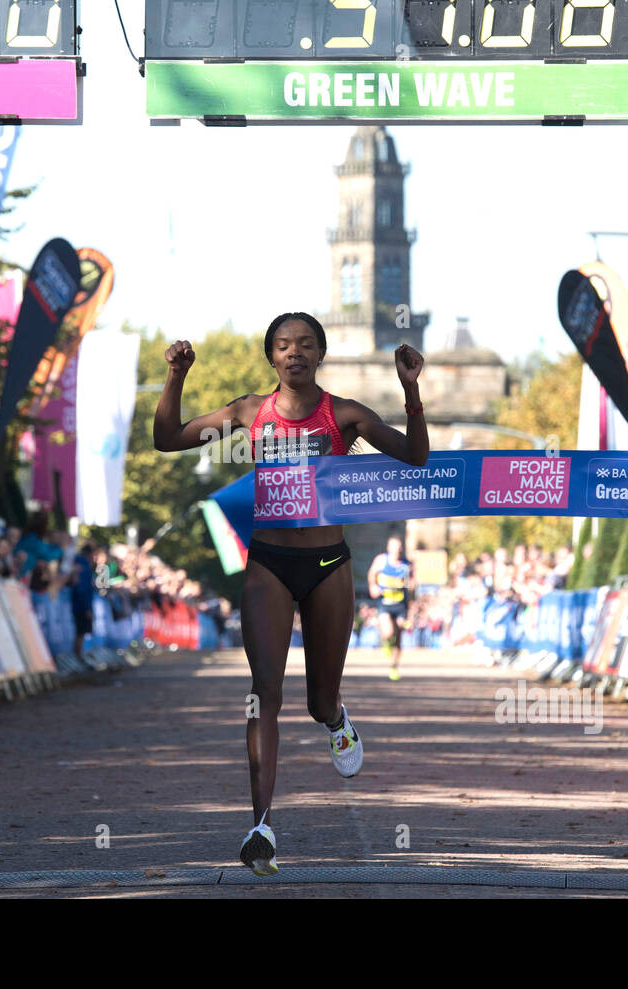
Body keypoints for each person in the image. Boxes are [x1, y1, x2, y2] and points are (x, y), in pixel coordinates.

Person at [153, 311, 427, 876]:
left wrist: (410, 391)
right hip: (269, 563)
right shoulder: (250, 412)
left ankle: (335, 719)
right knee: (264, 693)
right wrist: (177, 375)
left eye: (305, 344)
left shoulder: (345, 415)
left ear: (320, 354)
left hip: (328, 565)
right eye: (283, 345)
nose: (294, 352)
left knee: (317, 700)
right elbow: (165, 439)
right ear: (271, 357)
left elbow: (416, 457)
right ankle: (261, 825)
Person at [368, 534, 413, 680]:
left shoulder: (407, 564)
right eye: (395, 547)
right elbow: (372, 573)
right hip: (385, 603)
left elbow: (412, 581)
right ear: (389, 548)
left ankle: (394, 667)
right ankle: (386, 641)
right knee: (388, 632)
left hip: (401, 605)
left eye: (400, 547)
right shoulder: (381, 560)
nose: (398, 550)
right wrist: (373, 586)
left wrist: (412, 587)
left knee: (399, 637)